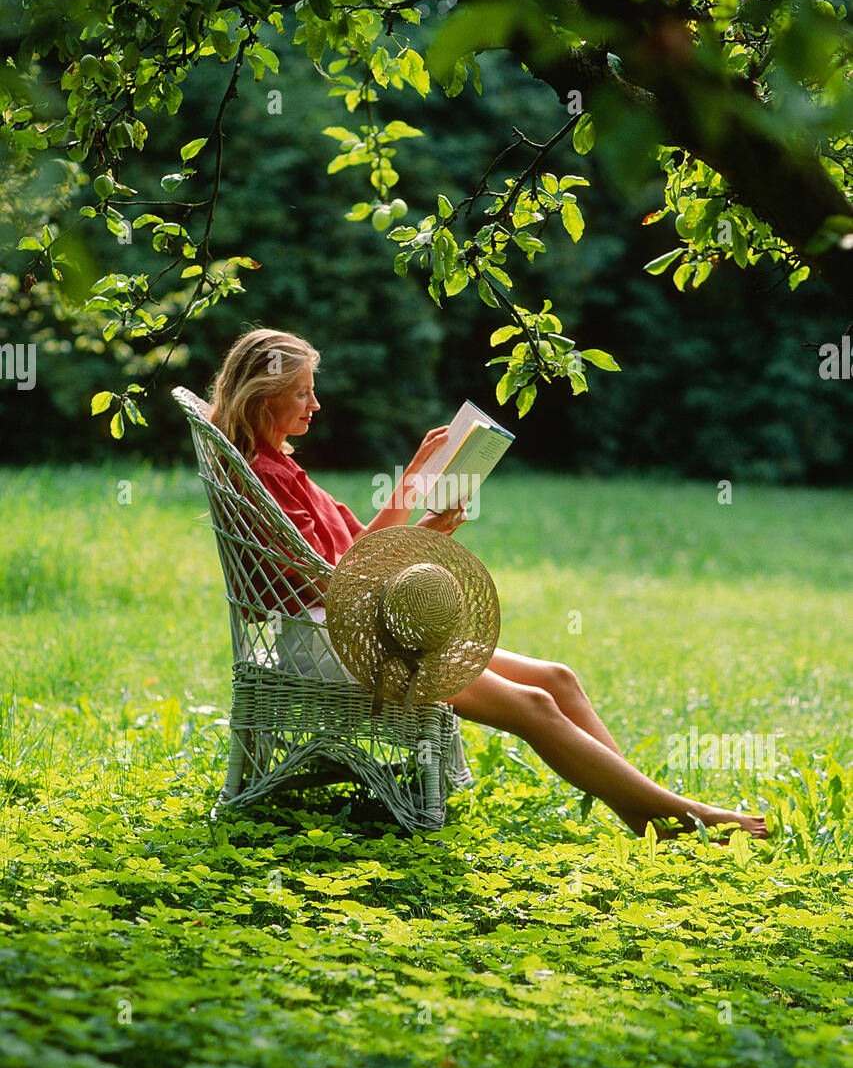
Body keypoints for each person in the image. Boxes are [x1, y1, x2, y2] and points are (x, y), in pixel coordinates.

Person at [210, 328, 768, 842]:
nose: (316, 404)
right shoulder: (262, 477)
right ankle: (678, 817)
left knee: (558, 679)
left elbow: (356, 549)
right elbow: (336, 579)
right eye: (304, 393)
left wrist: (429, 527)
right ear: (265, 399)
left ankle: (640, 810)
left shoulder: (284, 470)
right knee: (534, 704)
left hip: (358, 629)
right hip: (336, 645)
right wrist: (410, 482)